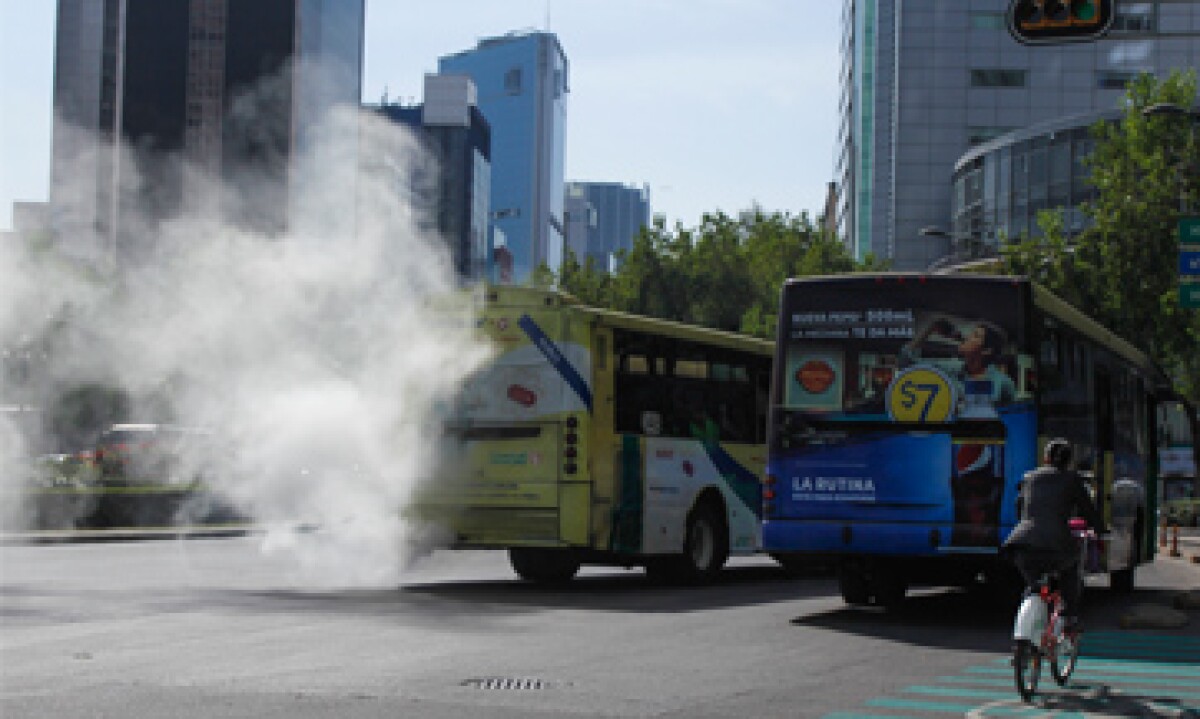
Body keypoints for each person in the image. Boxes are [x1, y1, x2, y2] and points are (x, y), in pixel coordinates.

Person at [1001, 438, 1105, 630]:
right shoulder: (1072, 480)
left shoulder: (1029, 478)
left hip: (1021, 544)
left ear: (1046, 458)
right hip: (1056, 545)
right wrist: (1100, 530)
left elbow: (1019, 507)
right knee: (1071, 568)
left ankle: (1033, 596)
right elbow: (1088, 511)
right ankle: (1070, 615)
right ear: (1069, 460)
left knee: (1033, 582)